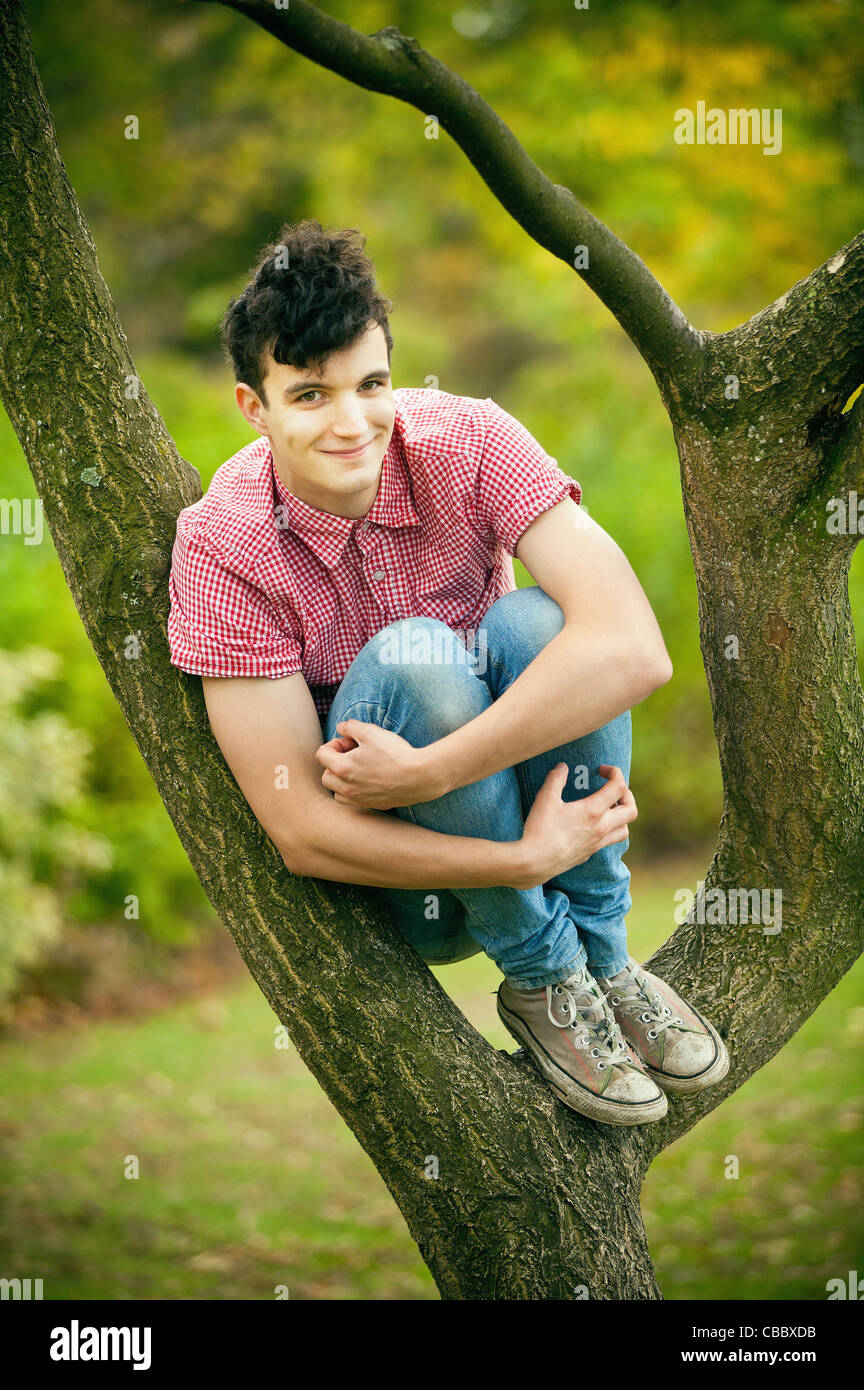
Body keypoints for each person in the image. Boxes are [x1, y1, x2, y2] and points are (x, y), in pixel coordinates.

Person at [166, 218, 729, 1126]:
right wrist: (518, 860)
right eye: (309, 396)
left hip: (536, 826)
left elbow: (634, 648)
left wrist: (434, 771)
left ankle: (604, 958)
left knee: (540, 621)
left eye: (371, 384)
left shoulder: (470, 439)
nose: (352, 423)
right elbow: (302, 834)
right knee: (414, 658)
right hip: (413, 886)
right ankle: (546, 979)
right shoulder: (222, 546)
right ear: (253, 407)